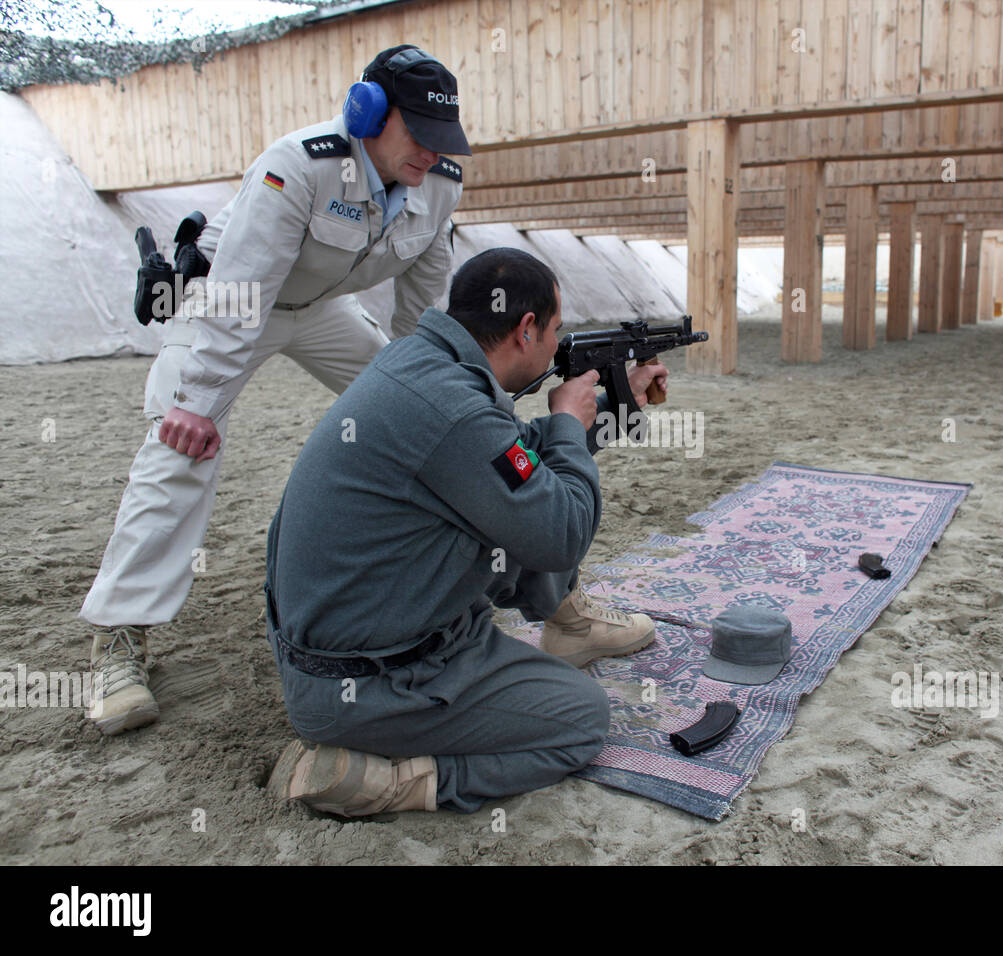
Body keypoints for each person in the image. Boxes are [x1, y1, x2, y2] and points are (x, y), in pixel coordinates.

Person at [80, 44, 471, 736]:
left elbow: (422, 307)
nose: (431, 154)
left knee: (423, 415)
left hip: (319, 312)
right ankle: (119, 634)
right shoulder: (300, 164)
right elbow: (242, 291)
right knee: (182, 447)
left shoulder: (439, 184)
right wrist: (200, 403)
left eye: (444, 140)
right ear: (369, 112)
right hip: (229, 302)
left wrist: (426, 389)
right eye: (420, 135)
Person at [265, 247, 666, 816]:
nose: (557, 345)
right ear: (525, 329)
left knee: (521, 503)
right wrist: (566, 426)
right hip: (366, 685)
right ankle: (396, 781)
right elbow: (561, 531)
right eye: (554, 330)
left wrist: (615, 404)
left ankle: (570, 627)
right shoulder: (453, 406)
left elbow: (507, 464)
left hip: (337, 645)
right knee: (580, 720)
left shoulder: (421, 364)